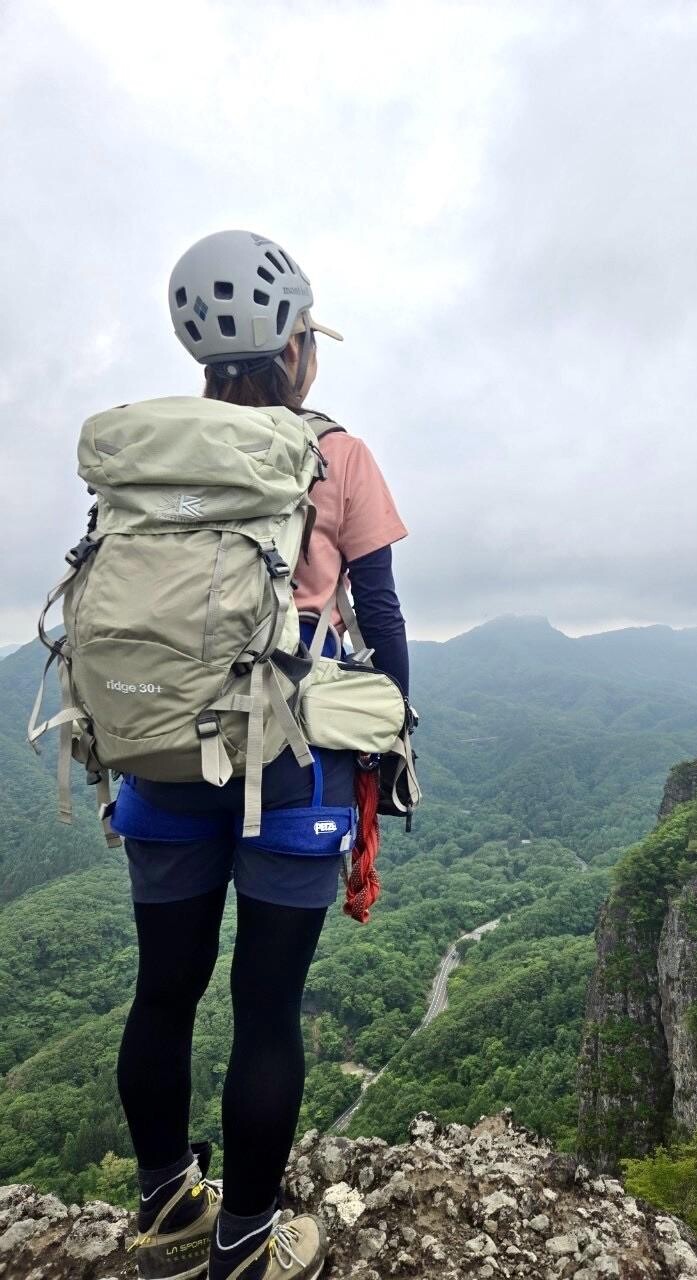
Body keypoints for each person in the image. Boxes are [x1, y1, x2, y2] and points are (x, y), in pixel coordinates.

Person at [115, 230, 409, 1280]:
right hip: (290, 765)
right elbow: (379, 611)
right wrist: (390, 746)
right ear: (293, 350)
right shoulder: (337, 453)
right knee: (266, 1007)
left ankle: (165, 1216)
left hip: (159, 752)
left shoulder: (151, 460)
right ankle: (245, 1239)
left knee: (164, 989)